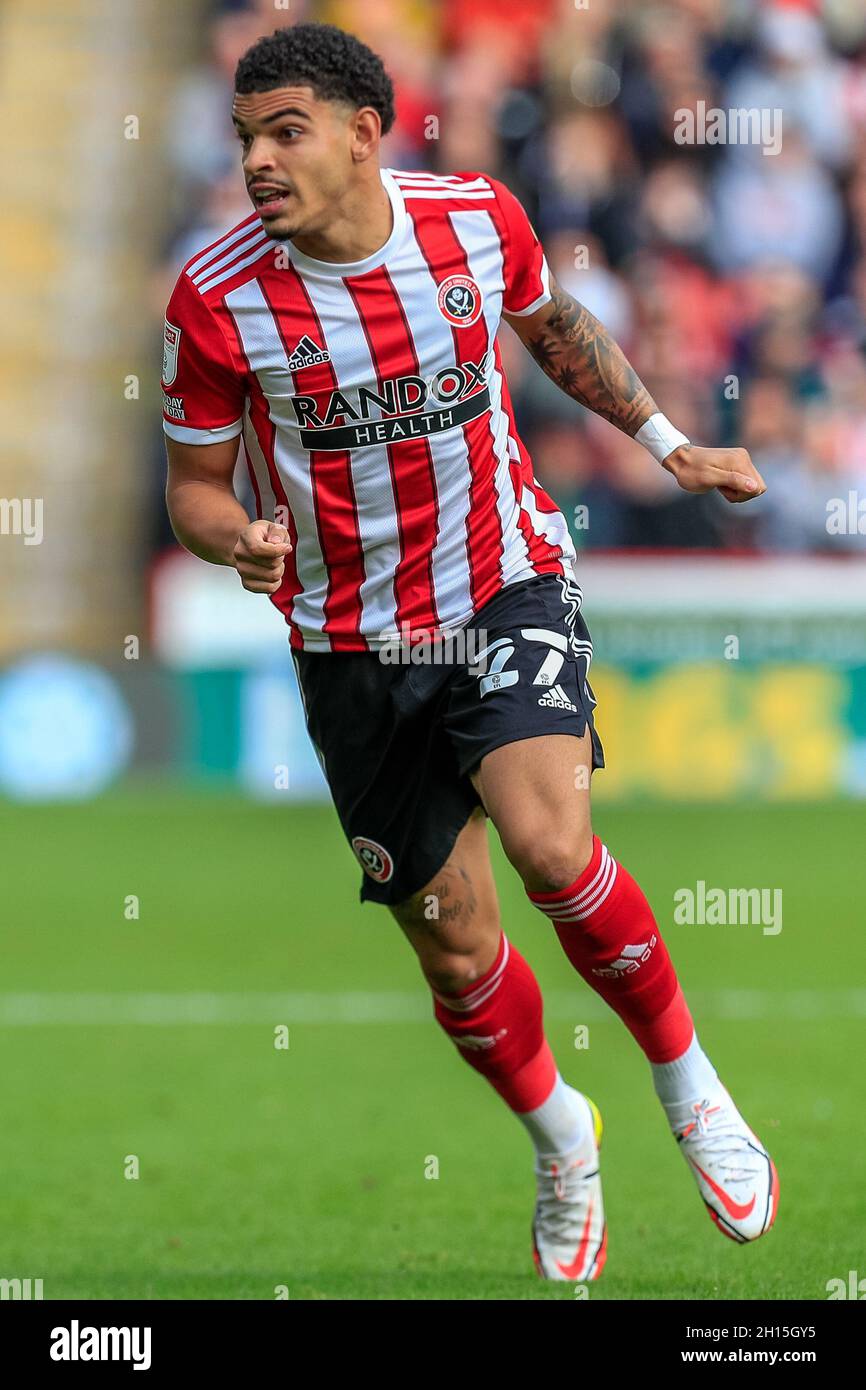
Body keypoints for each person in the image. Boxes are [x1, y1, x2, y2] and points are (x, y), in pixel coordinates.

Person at [163, 22, 777, 1282]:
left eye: (284, 133)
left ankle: (689, 1084)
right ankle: (562, 1133)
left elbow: (555, 333)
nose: (259, 163)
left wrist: (672, 444)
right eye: (244, 141)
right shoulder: (213, 298)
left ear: (361, 133)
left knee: (553, 842)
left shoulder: (470, 221)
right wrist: (239, 540)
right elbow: (192, 485)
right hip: (347, 640)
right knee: (452, 942)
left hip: (501, 578)